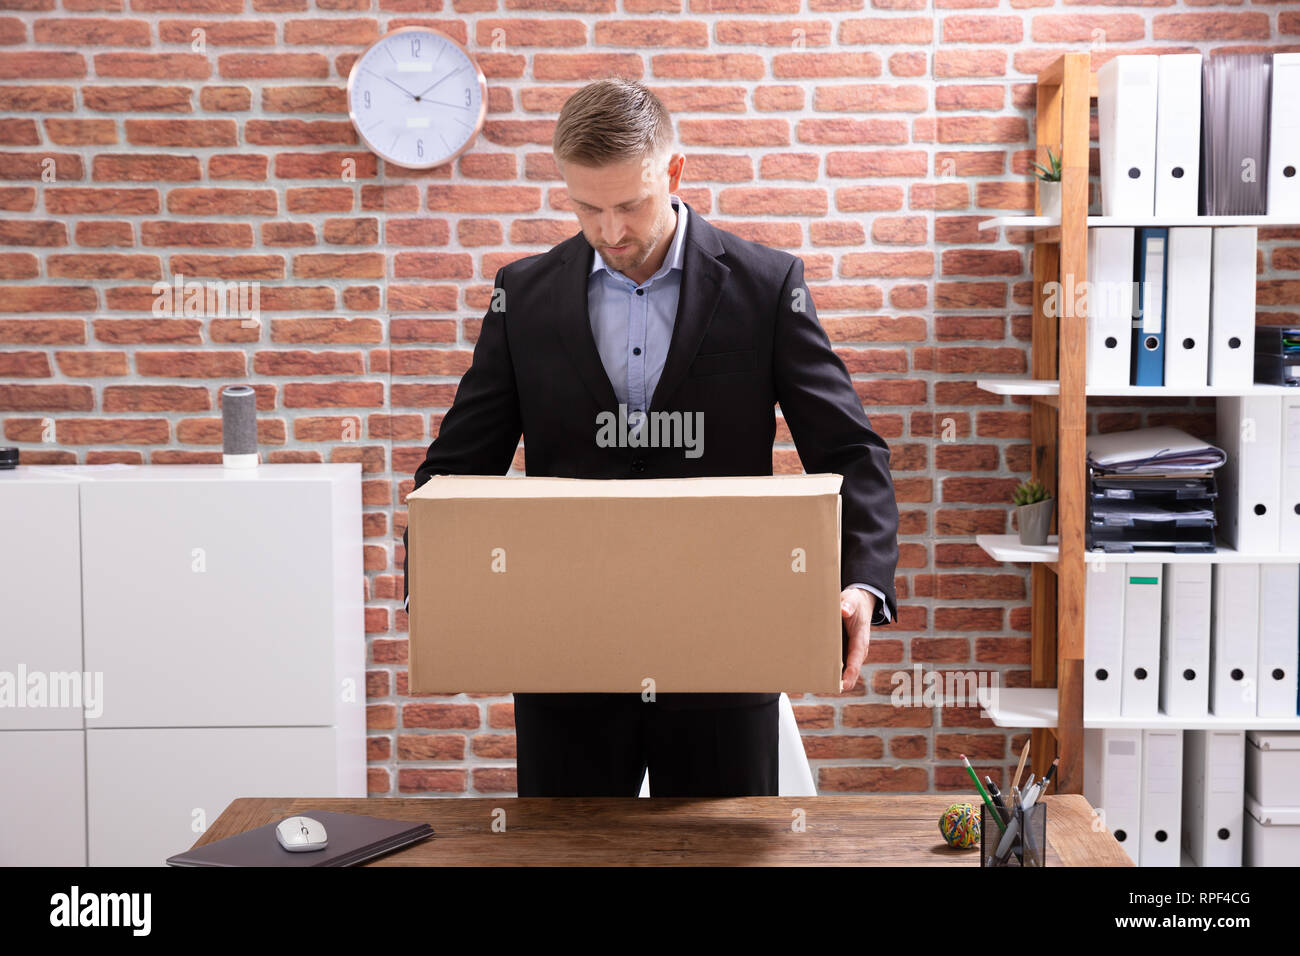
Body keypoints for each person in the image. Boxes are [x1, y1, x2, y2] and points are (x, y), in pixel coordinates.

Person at [403, 78, 899, 797]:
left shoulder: (765, 286)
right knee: (566, 859)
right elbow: (452, 470)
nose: (609, 233)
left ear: (674, 173)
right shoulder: (524, 296)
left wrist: (859, 580)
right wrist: (440, 600)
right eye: (586, 208)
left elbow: (851, 451)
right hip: (564, 661)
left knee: (723, 853)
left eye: (629, 205)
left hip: (724, 654)